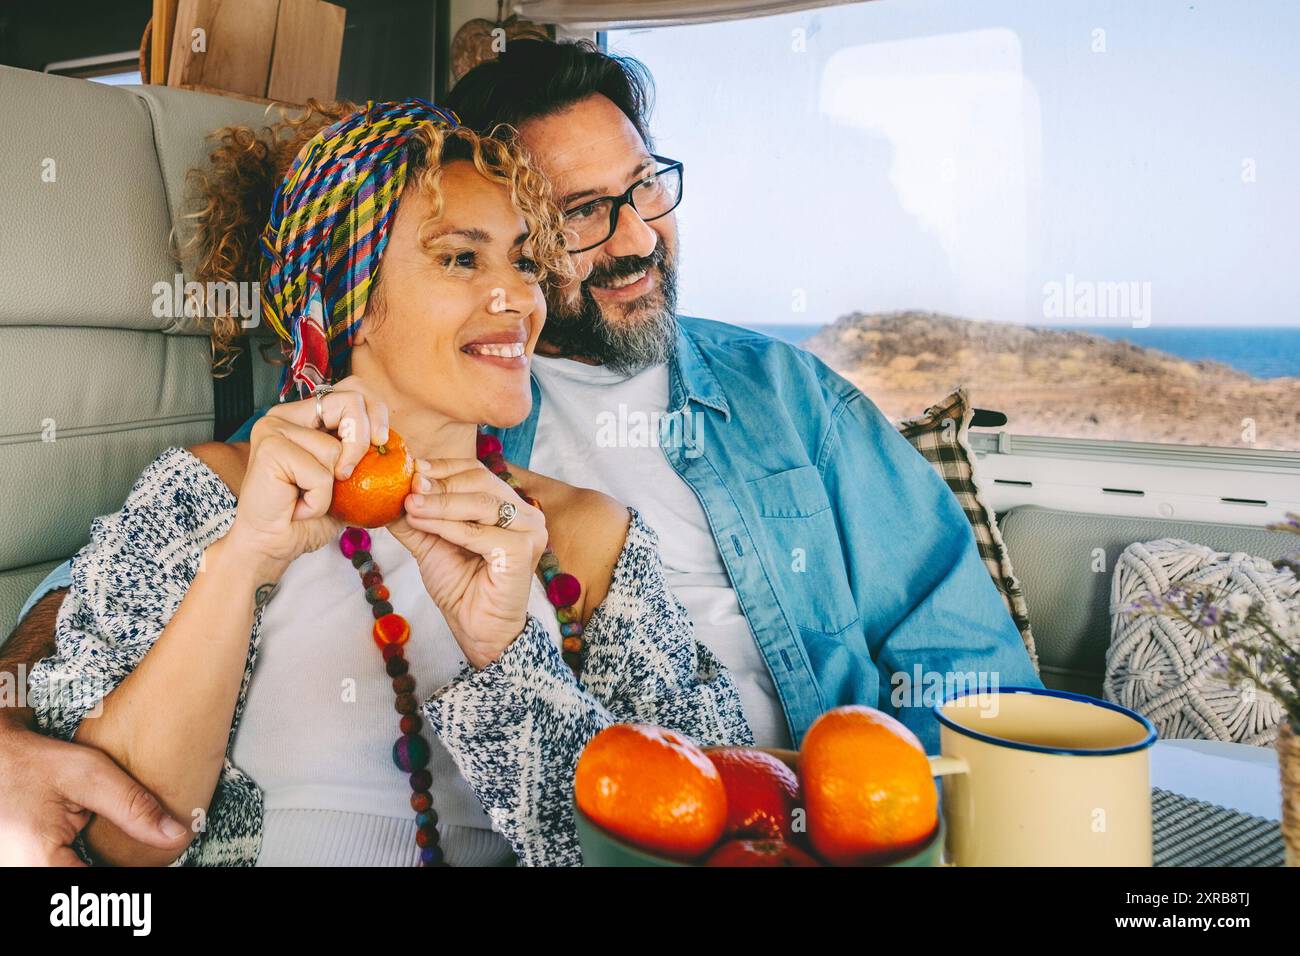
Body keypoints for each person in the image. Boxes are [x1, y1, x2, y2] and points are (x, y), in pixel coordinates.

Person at [2, 39, 1041, 864]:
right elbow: (100, 702)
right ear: (338, 302)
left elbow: (673, 821)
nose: (631, 237)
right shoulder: (244, 481)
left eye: (642, 190)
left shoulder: (633, 495)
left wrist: (943, 821)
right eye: (580, 215)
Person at [9, 99, 751, 868]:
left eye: (525, 262)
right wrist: (241, 563)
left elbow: (709, 836)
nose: (518, 300)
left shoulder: (588, 537)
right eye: (461, 259)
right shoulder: (202, 496)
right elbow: (125, 839)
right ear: (346, 302)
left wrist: (506, 655)